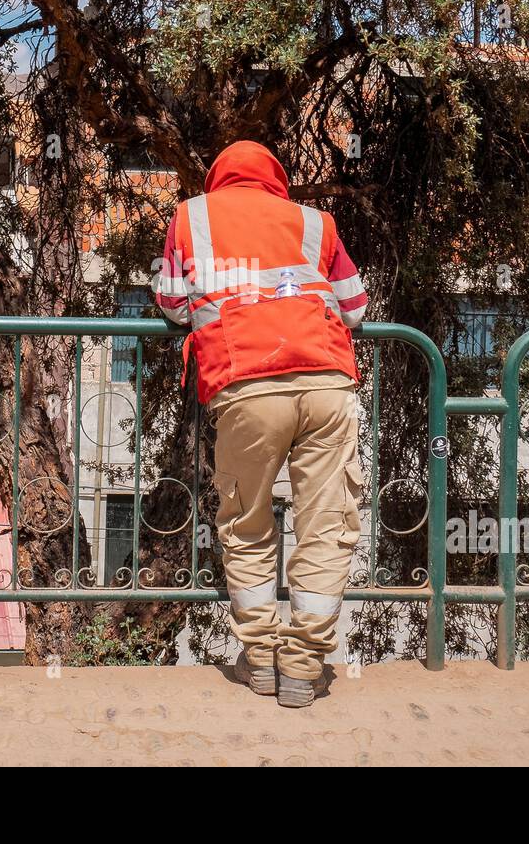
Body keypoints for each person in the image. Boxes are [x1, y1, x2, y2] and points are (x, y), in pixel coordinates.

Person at [153, 139, 368, 708]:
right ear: (277, 179)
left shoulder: (190, 216)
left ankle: (262, 660)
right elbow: (356, 306)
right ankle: (302, 666)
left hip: (245, 382)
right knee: (326, 524)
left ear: (218, 176)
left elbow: (172, 303)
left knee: (247, 520)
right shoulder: (315, 221)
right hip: (325, 382)